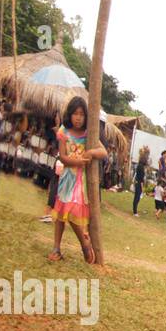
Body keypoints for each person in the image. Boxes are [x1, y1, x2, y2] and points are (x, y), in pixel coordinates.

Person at [47, 97, 105, 263]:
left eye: (81, 114)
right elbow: (63, 157)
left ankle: (84, 244)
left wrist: (92, 153)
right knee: (60, 215)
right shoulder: (64, 132)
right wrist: (77, 162)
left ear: (86, 116)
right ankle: (56, 248)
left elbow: (104, 152)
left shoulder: (89, 134)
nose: (78, 117)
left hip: (80, 182)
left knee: (72, 211)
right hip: (66, 178)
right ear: (69, 115)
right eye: (75, 114)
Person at [132, 146, 150, 216]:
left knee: (136, 197)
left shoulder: (138, 165)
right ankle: (135, 212)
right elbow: (141, 179)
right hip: (139, 183)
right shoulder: (142, 168)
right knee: (137, 198)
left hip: (137, 182)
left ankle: (135, 210)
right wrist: (142, 188)